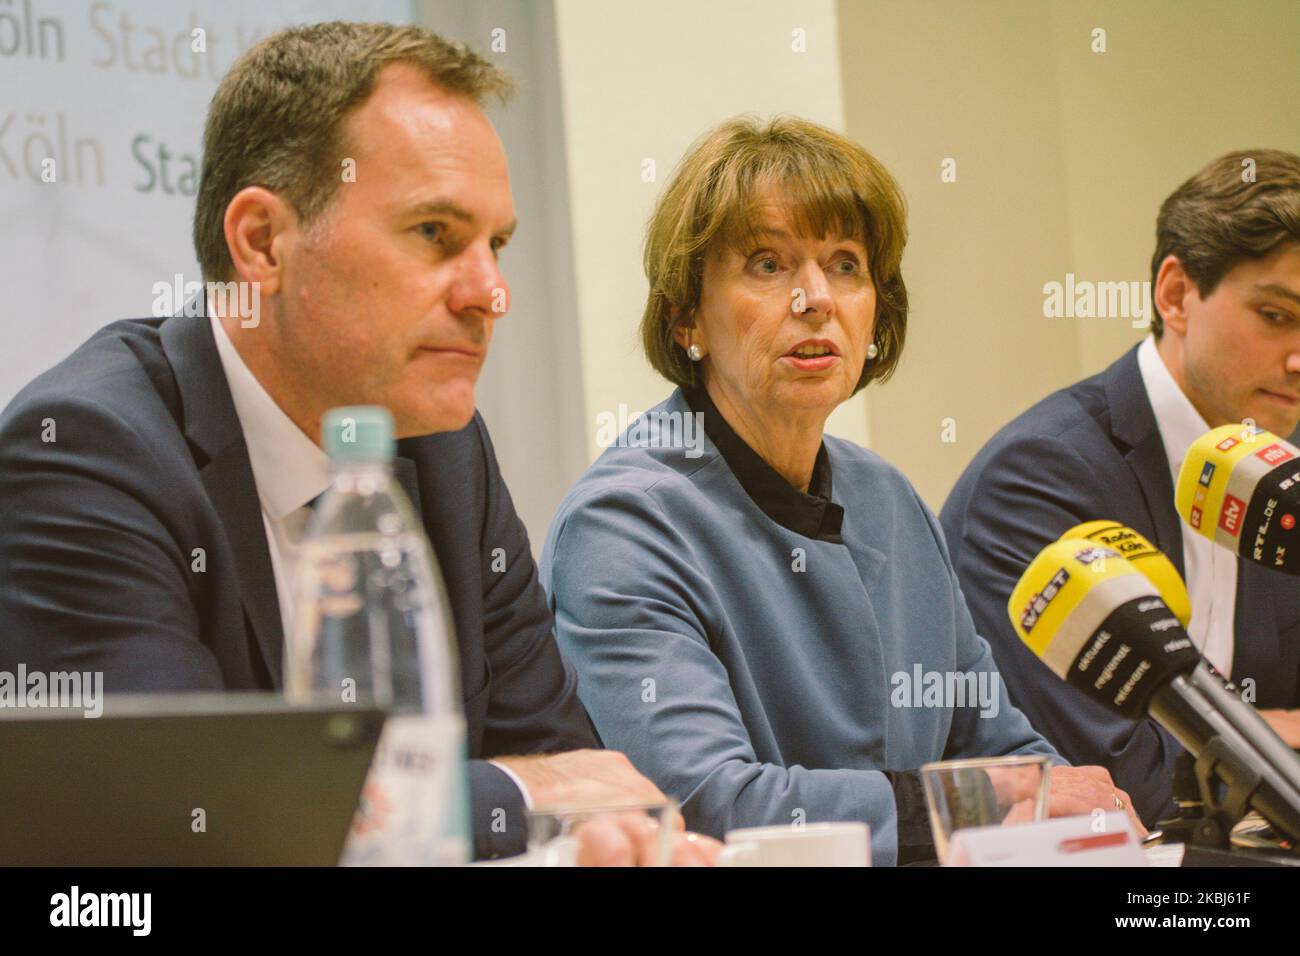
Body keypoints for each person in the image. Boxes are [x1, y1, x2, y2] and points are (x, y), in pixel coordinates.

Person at [0, 22, 716, 866]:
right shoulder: (85, 454)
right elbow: (173, 824)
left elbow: (582, 782)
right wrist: (512, 793)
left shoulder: (446, 451)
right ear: (262, 241)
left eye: (496, 245)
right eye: (434, 233)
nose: (491, 293)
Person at [538, 115, 1142, 866]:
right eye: (767, 264)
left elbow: (999, 744)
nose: (816, 298)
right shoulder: (622, 524)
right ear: (686, 317)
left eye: (846, 265)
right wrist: (981, 801)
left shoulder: (888, 498)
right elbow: (708, 804)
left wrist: (1074, 808)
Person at [940, 149, 1300, 826]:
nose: (1298, 358)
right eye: (1277, 315)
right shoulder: (1040, 475)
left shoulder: (1287, 478)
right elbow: (1120, 778)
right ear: (1175, 294)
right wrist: (1265, 733)